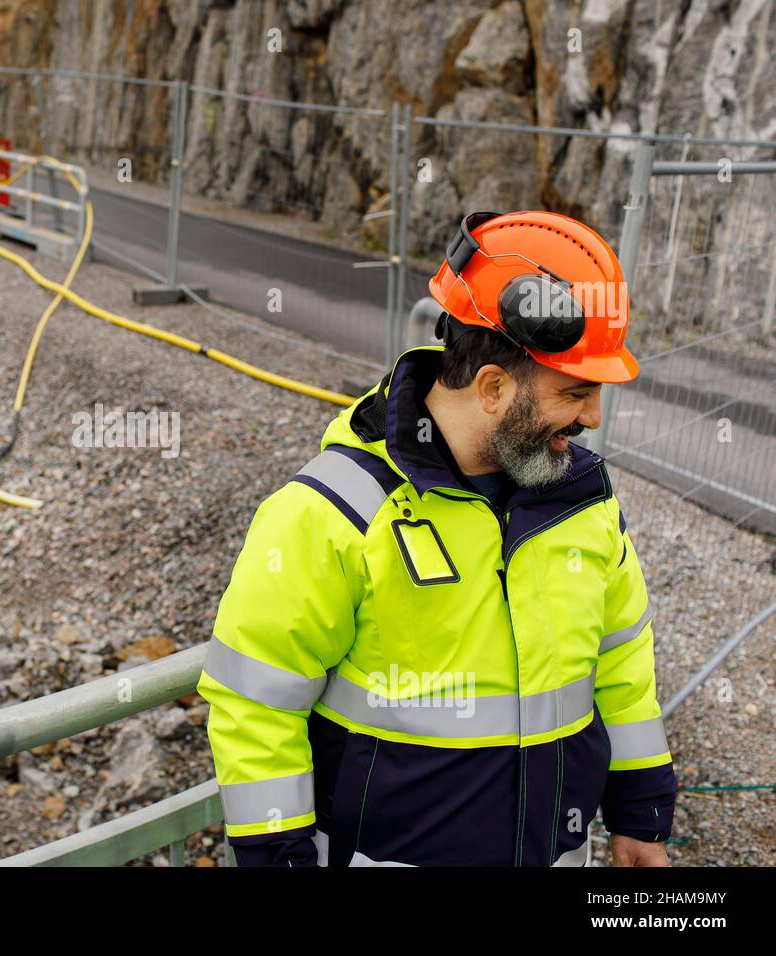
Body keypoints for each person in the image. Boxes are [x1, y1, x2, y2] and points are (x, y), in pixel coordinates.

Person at [198, 210, 675, 867]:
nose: (592, 418)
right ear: (493, 387)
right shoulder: (335, 511)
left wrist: (640, 812)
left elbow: (621, 656)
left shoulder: (580, 499)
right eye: (576, 393)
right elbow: (255, 701)